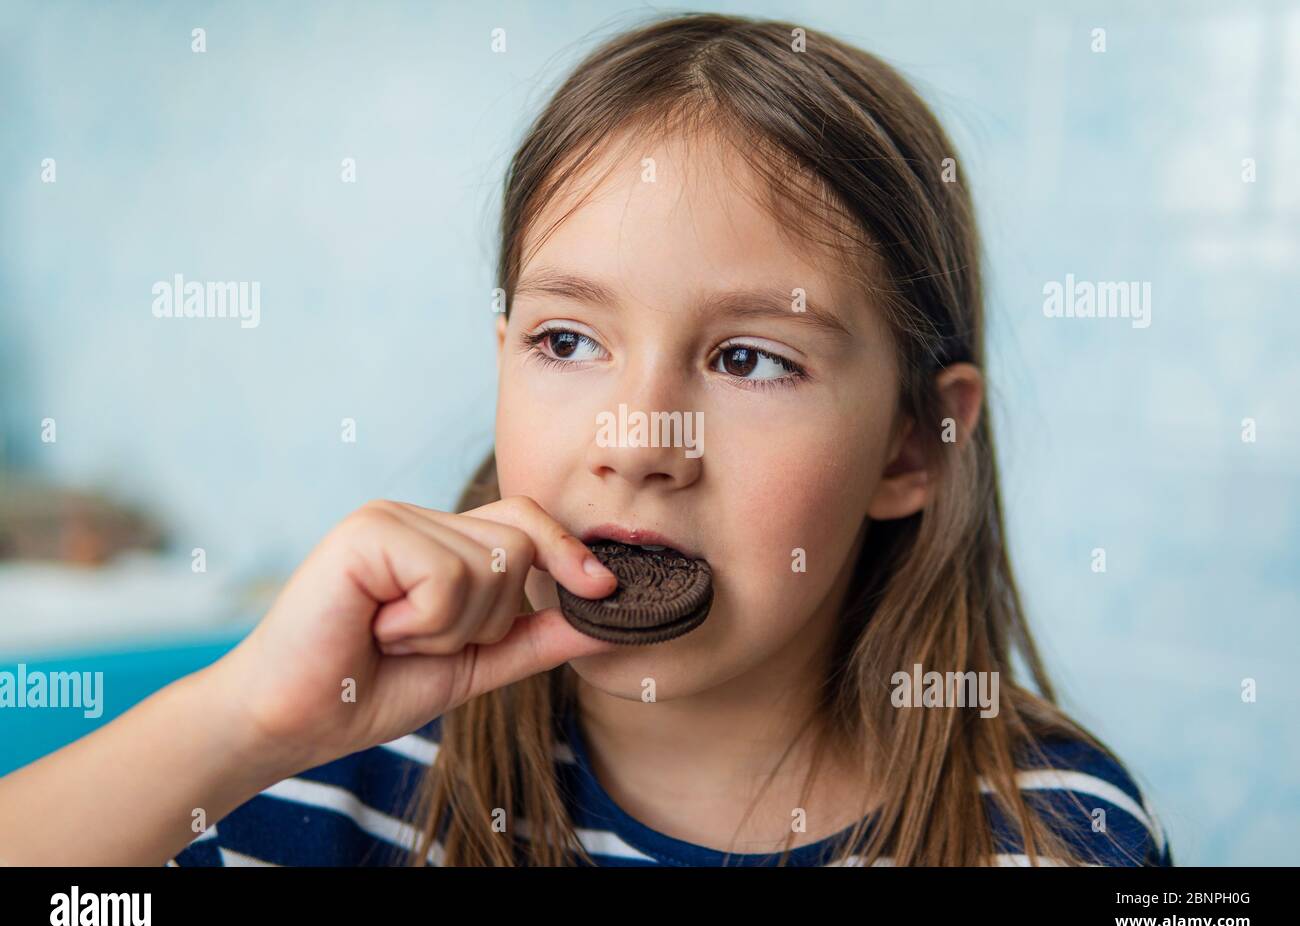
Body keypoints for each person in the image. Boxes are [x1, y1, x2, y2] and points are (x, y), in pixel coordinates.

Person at [0, 12, 1172, 867]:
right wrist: (239, 721)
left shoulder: (1055, 828)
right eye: (568, 341)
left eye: (749, 358)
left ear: (914, 444)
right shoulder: (331, 780)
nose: (636, 437)